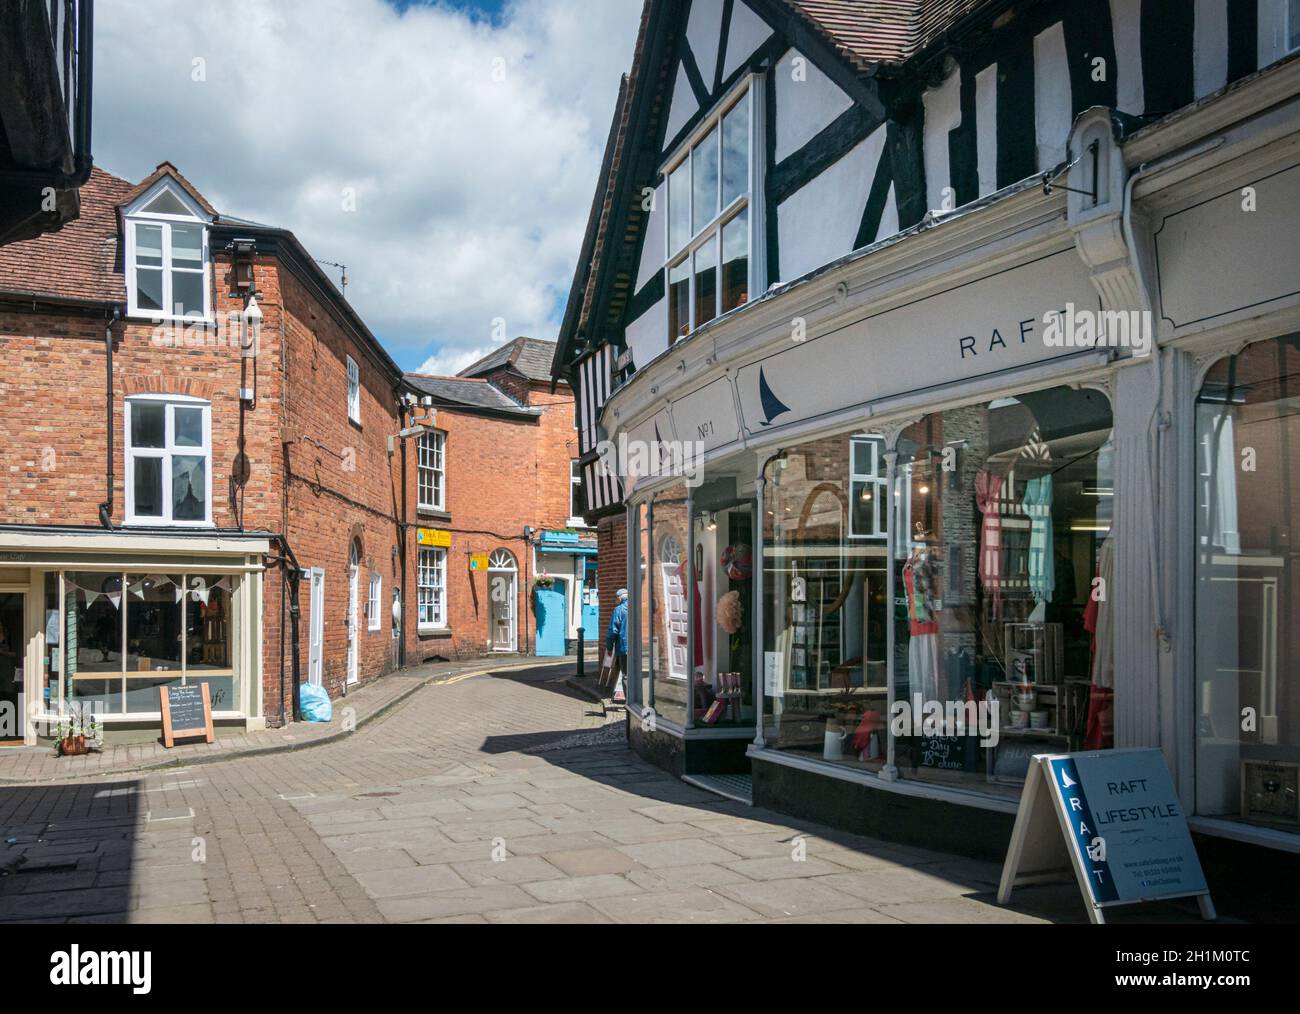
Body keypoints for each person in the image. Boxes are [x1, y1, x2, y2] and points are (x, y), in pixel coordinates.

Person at [602, 588, 629, 695]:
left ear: (619, 598)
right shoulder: (637, 606)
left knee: (626, 675)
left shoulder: (619, 610)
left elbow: (612, 631)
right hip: (637, 648)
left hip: (624, 647)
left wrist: (609, 647)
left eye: (615, 598)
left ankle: (629, 703)